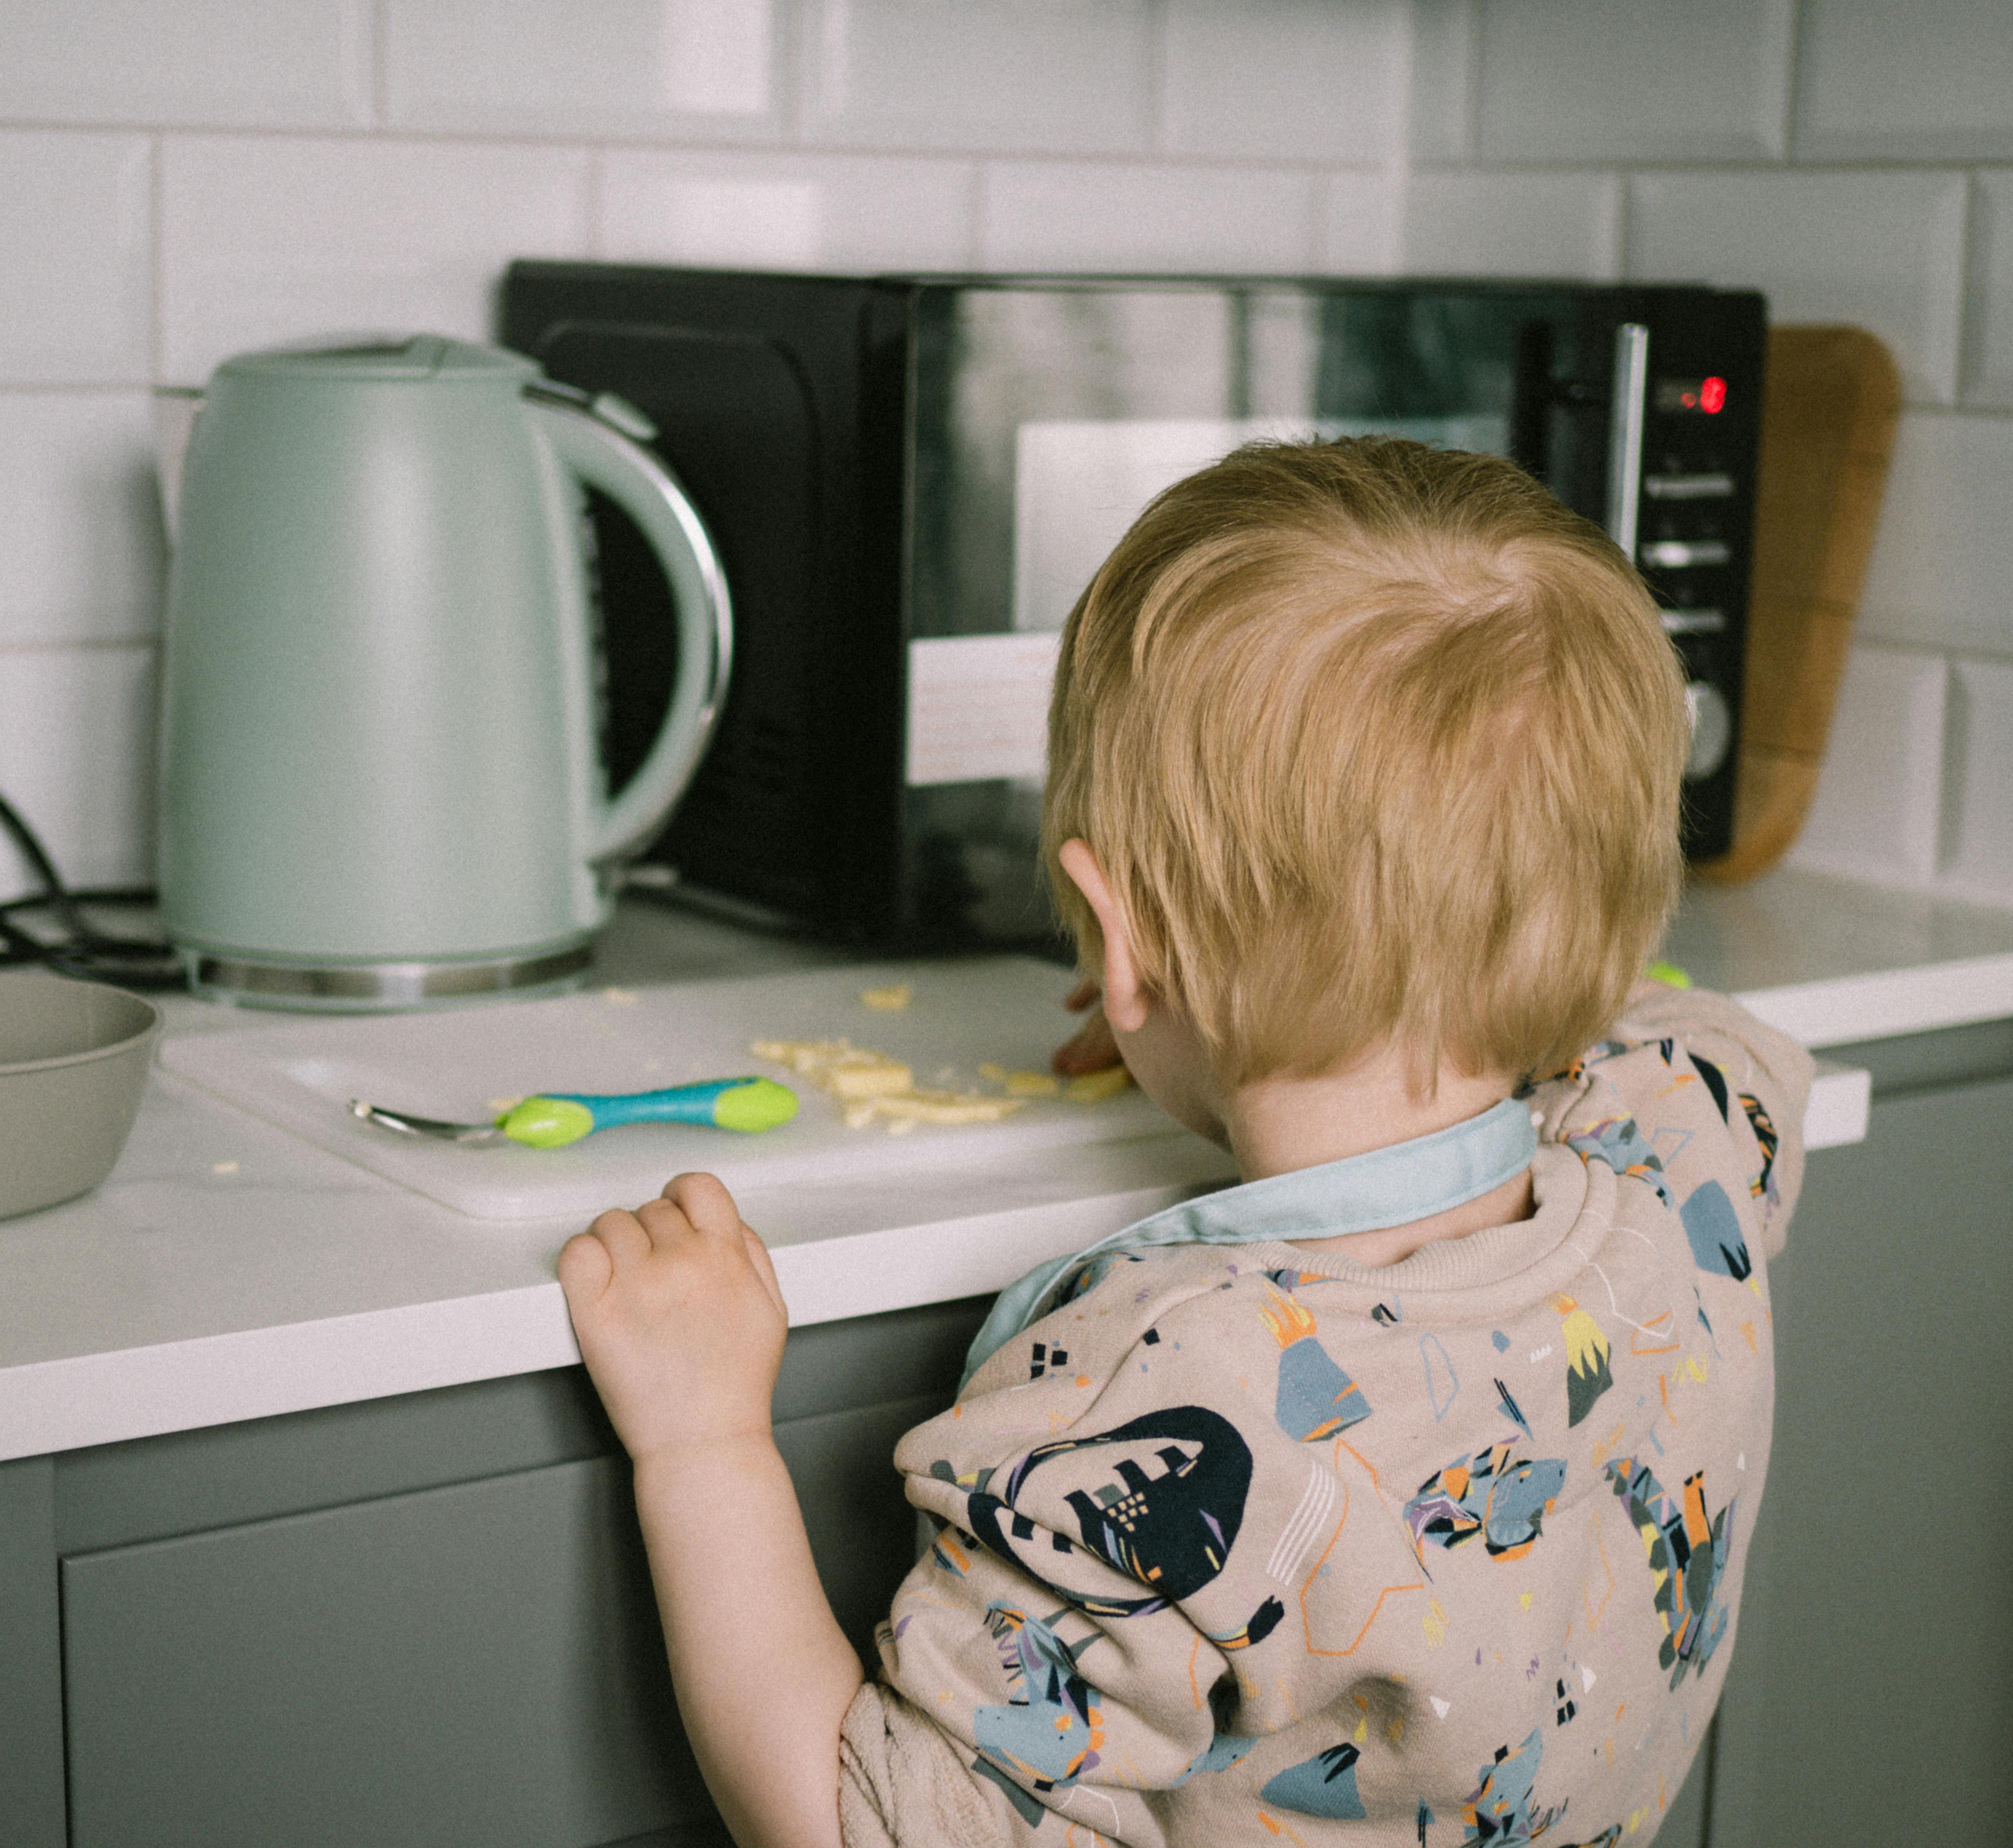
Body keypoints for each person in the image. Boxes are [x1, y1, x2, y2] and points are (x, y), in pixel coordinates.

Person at [557, 438, 1811, 1848]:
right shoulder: (1694, 1141)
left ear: (1114, 938)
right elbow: (1671, 1020)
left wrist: (704, 1440)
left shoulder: (1168, 1403)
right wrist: (1259, 988)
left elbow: (861, 1832)